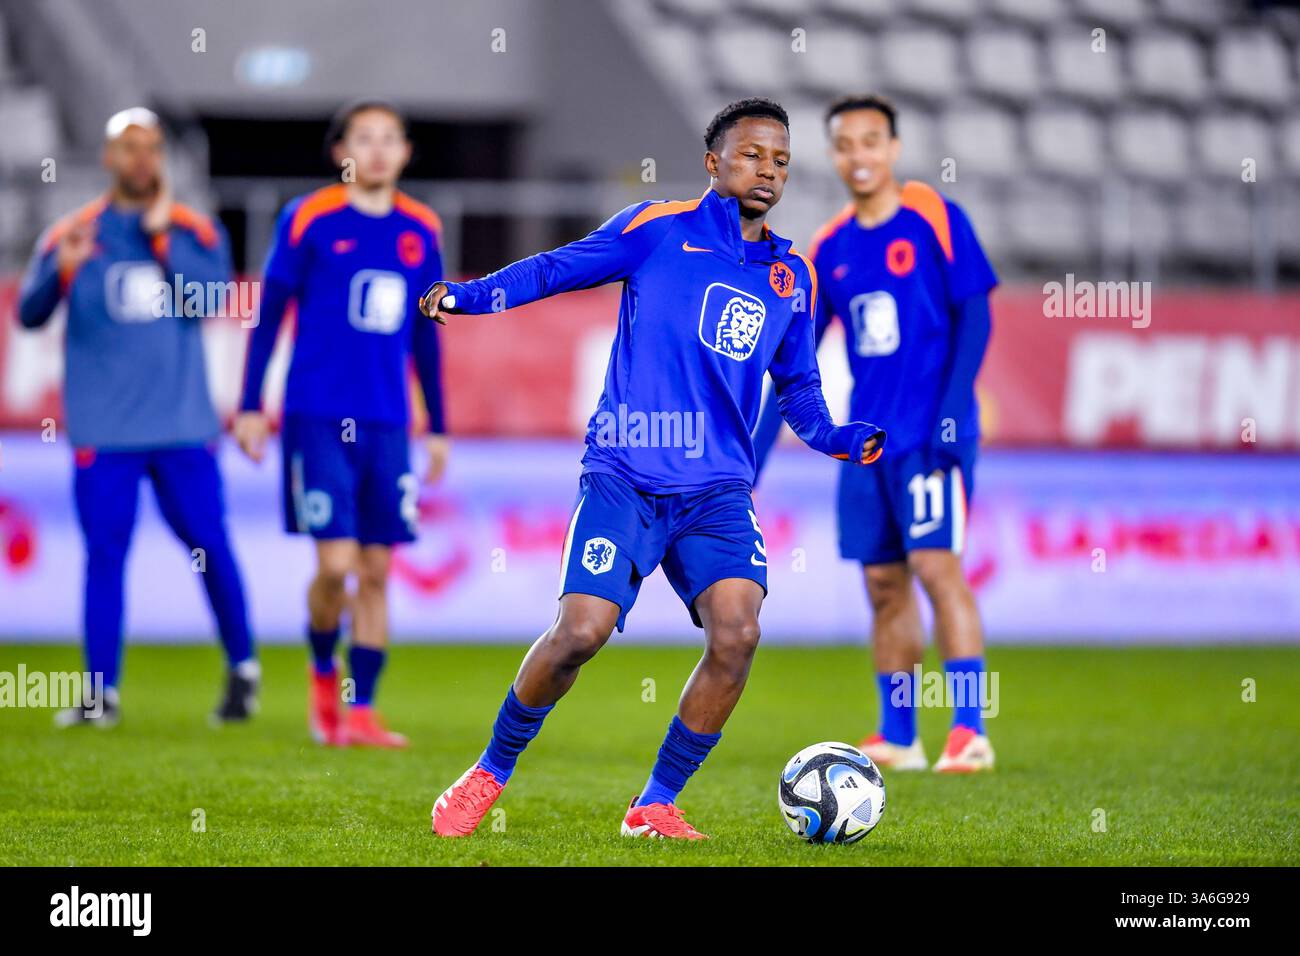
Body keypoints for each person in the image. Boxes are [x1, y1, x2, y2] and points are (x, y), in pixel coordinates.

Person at [421, 97, 884, 839]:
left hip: (717, 490)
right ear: (713, 161)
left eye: (782, 162)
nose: (768, 170)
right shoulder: (656, 231)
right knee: (580, 632)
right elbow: (557, 268)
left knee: (737, 635)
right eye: (752, 154)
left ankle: (655, 802)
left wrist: (832, 436)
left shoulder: (792, 274)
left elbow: (796, 386)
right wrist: (470, 296)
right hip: (625, 475)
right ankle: (489, 772)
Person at [753, 94, 998, 773]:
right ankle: (899, 735)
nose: (858, 155)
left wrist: (952, 413)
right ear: (832, 156)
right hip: (867, 444)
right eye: (844, 144)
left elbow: (974, 320)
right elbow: (797, 359)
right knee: (884, 585)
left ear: (891, 148)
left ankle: (969, 729)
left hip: (932, 434)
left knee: (936, 568)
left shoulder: (935, 217)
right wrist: (757, 455)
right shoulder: (829, 248)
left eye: (870, 141)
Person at [18, 107, 258, 727]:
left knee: (209, 544)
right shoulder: (72, 232)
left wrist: (160, 242)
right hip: (104, 432)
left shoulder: (195, 232)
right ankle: (102, 695)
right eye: (129, 148)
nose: (142, 160)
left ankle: (242, 671)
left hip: (182, 427)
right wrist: (60, 272)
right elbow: (28, 315)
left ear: (163, 158)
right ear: (108, 158)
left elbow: (211, 301)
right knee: (105, 554)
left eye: (151, 148)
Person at [235, 100, 448, 748]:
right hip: (317, 416)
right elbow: (268, 316)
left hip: (387, 424)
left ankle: (363, 711)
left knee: (377, 570)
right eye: (365, 138)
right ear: (340, 152)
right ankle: (322, 673)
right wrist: (249, 405)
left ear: (406, 152)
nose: (379, 150)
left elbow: (427, 335)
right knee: (335, 567)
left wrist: (437, 424)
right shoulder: (309, 218)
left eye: (391, 138)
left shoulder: (422, 228)